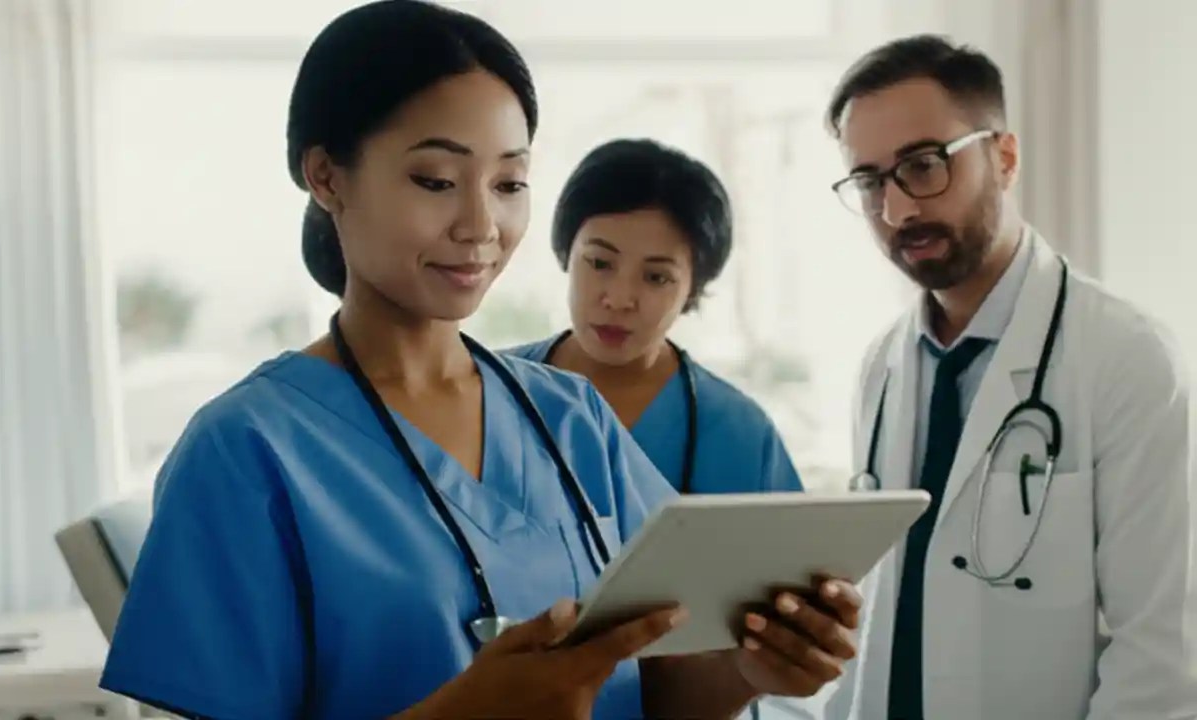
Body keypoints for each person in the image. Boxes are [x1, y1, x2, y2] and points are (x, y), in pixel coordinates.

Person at [98, 2, 863, 718]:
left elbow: (650, 682)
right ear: (327, 176)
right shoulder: (245, 452)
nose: (481, 225)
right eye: (436, 180)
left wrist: (751, 671)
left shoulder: (570, 419)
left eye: (509, 183)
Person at [827, 34, 1197, 719]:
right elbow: (884, 615)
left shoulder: (1126, 359)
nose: (898, 209)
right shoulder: (882, 366)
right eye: (871, 180)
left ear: (1004, 158)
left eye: (924, 165)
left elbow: (1159, 654)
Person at [505, 139, 803, 498]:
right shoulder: (484, 392)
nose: (618, 299)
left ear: (693, 288)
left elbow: (795, 555)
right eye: (600, 263)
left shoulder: (741, 435)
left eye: (656, 277)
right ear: (568, 253)